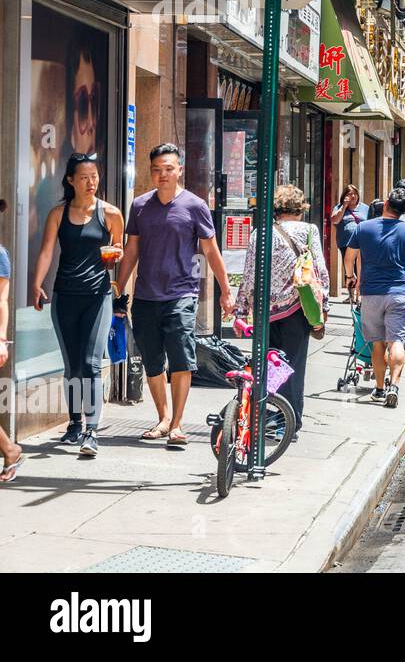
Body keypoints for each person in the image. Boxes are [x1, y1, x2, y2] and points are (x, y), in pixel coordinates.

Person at [115, 144, 233, 447]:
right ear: (150, 172)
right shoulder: (140, 205)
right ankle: (163, 418)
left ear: (179, 169)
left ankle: (178, 424)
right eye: (157, 169)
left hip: (182, 293)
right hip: (145, 295)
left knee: (181, 359)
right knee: (152, 361)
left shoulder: (194, 205)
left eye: (169, 168)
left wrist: (226, 291)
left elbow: (211, 250)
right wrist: (118, 286)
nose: (163, 174)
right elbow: (132, 250)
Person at [32, 154, 125, 457]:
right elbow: (47, 251)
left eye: (95, 176)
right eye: (84, 177)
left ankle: (92, 430)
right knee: (72, 365)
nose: (91, 182)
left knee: (91, 363)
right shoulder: (58, 214)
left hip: (98, 297)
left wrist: (117, 258)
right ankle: (74, 423)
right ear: (70, 180)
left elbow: (119, 248)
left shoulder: (111, 214)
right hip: (64, 297)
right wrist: (37, 283)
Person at [233, 186, 329, 427]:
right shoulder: (308, 231)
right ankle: (290, 422)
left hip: (265, 311)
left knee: (266, 364)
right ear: (300, 208)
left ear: (275, 209)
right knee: (293, 366)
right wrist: (323, 306)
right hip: (297, 309)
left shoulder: (260, 233)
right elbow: (319, 270)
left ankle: (265, 418)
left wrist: (240, 312)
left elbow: (249, 274)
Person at [345, 189, 405, 408]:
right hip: (399, 292)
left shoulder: (364, 228)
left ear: (386, 203)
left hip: (371, 292)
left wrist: (351, 276)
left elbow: (349, 257)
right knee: (396, 341)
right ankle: (394, 386)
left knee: (377, 343)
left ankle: (379, 389)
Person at [0, 201, 24, 482]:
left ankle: (10, 448)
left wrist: (2, 338)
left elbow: (1, 302)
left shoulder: (1, 256)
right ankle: (10, 449)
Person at [330, 185, 367, 302]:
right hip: (345, 242)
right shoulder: (339, 207)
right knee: (349, 269)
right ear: (344, 196)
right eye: (350, 194)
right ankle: (351, 296)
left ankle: (359, 295)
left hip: (361, 243)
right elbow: (334, 220)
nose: (353, 196)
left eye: (355, 193)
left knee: (360, 269)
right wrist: (344, 206)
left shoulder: (365, 208)